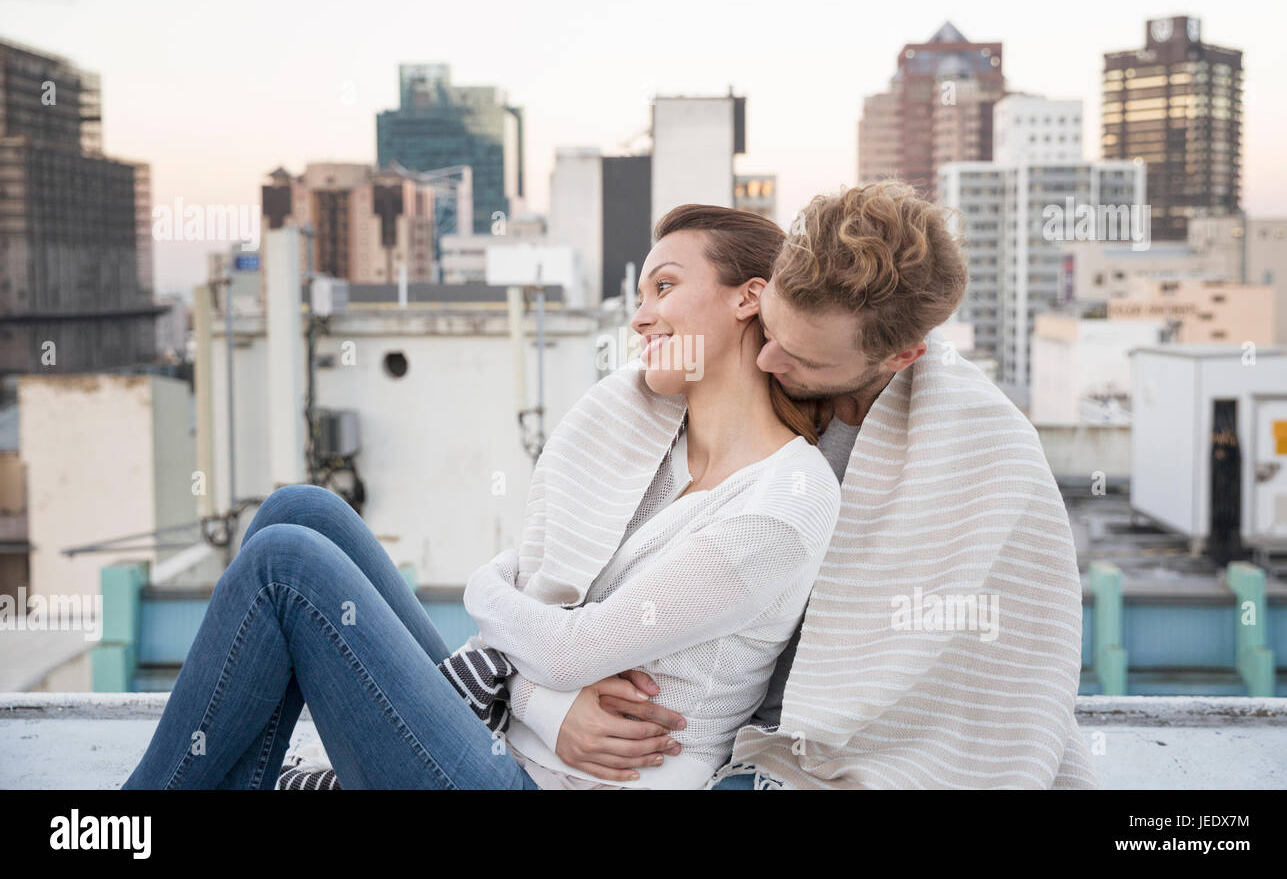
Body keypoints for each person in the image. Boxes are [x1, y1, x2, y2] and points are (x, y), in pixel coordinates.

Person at [120, 203, 841, 790]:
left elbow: (568, 649)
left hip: (560, 786)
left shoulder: (786, 498)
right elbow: (551, 615)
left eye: (665, 287)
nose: (640, 318)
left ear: (749, 298)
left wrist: (484, 589)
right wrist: (543, 706)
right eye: (640, 295)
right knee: (301, 511)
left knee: (284, 565)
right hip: (514, 738)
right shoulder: (651, 436)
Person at [542, 180, 1101, 790]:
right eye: (772, 330)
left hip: (767, 757)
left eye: (802, 361)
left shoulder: (985, 454)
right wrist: (550, 704)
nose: (767, 362)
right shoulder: (709, 381)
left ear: (901, 357)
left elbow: (1015, 673)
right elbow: (572, 583)